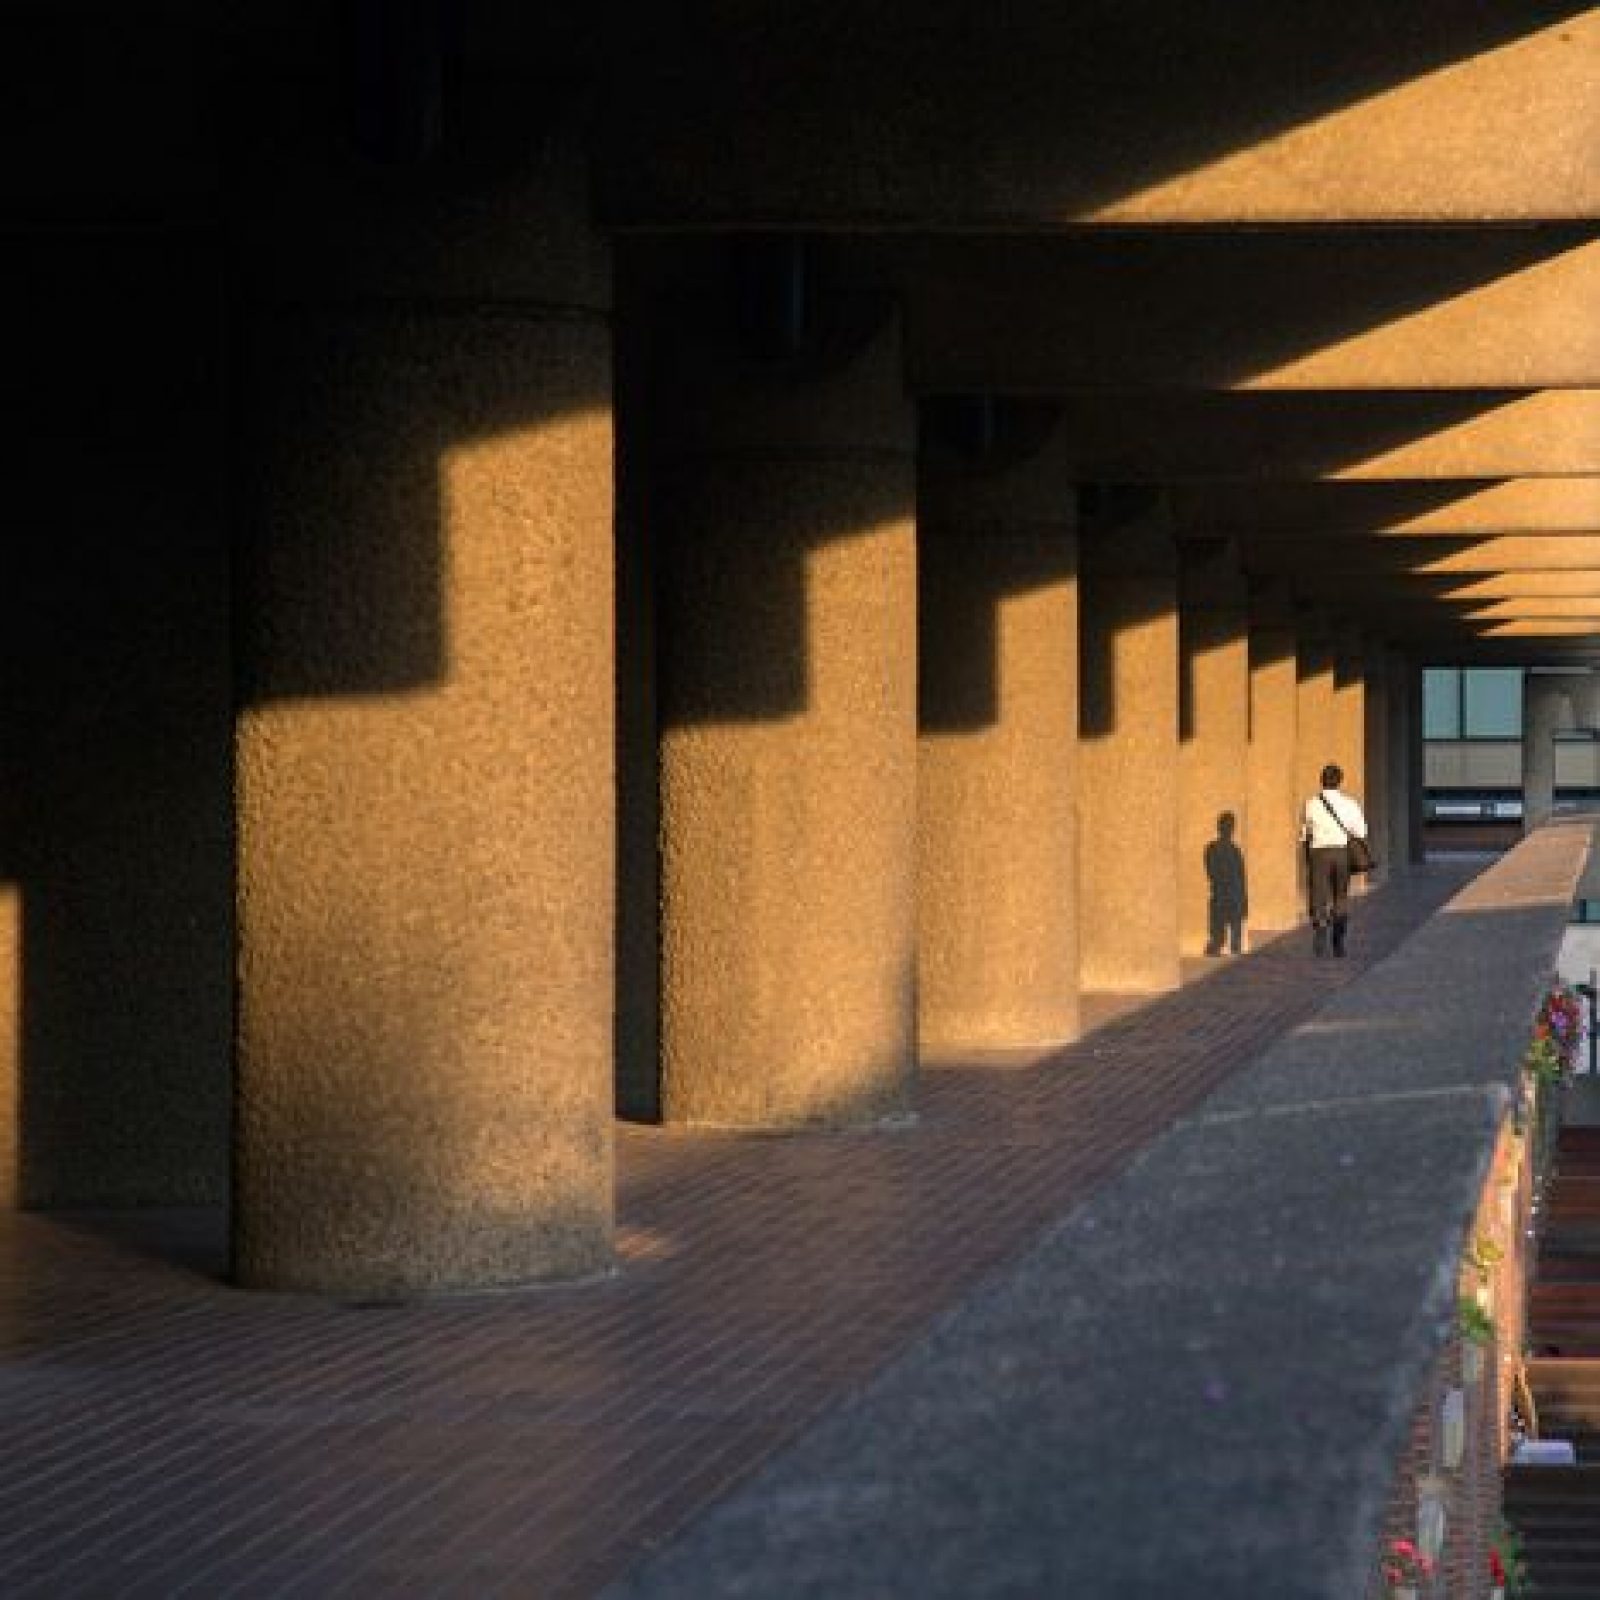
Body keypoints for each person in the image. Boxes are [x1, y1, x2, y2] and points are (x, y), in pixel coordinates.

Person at [1300, 762, 1368, 958]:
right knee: (1341, 896)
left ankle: (1320, 928)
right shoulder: (1350, 803)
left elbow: (1305, 833)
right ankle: (1338, 942)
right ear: (1340, 781)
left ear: (1321, 780)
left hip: (1319, 853)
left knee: (1319, 895)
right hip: (1342, 853)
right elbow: (1361, 831)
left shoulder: (1311, 803)